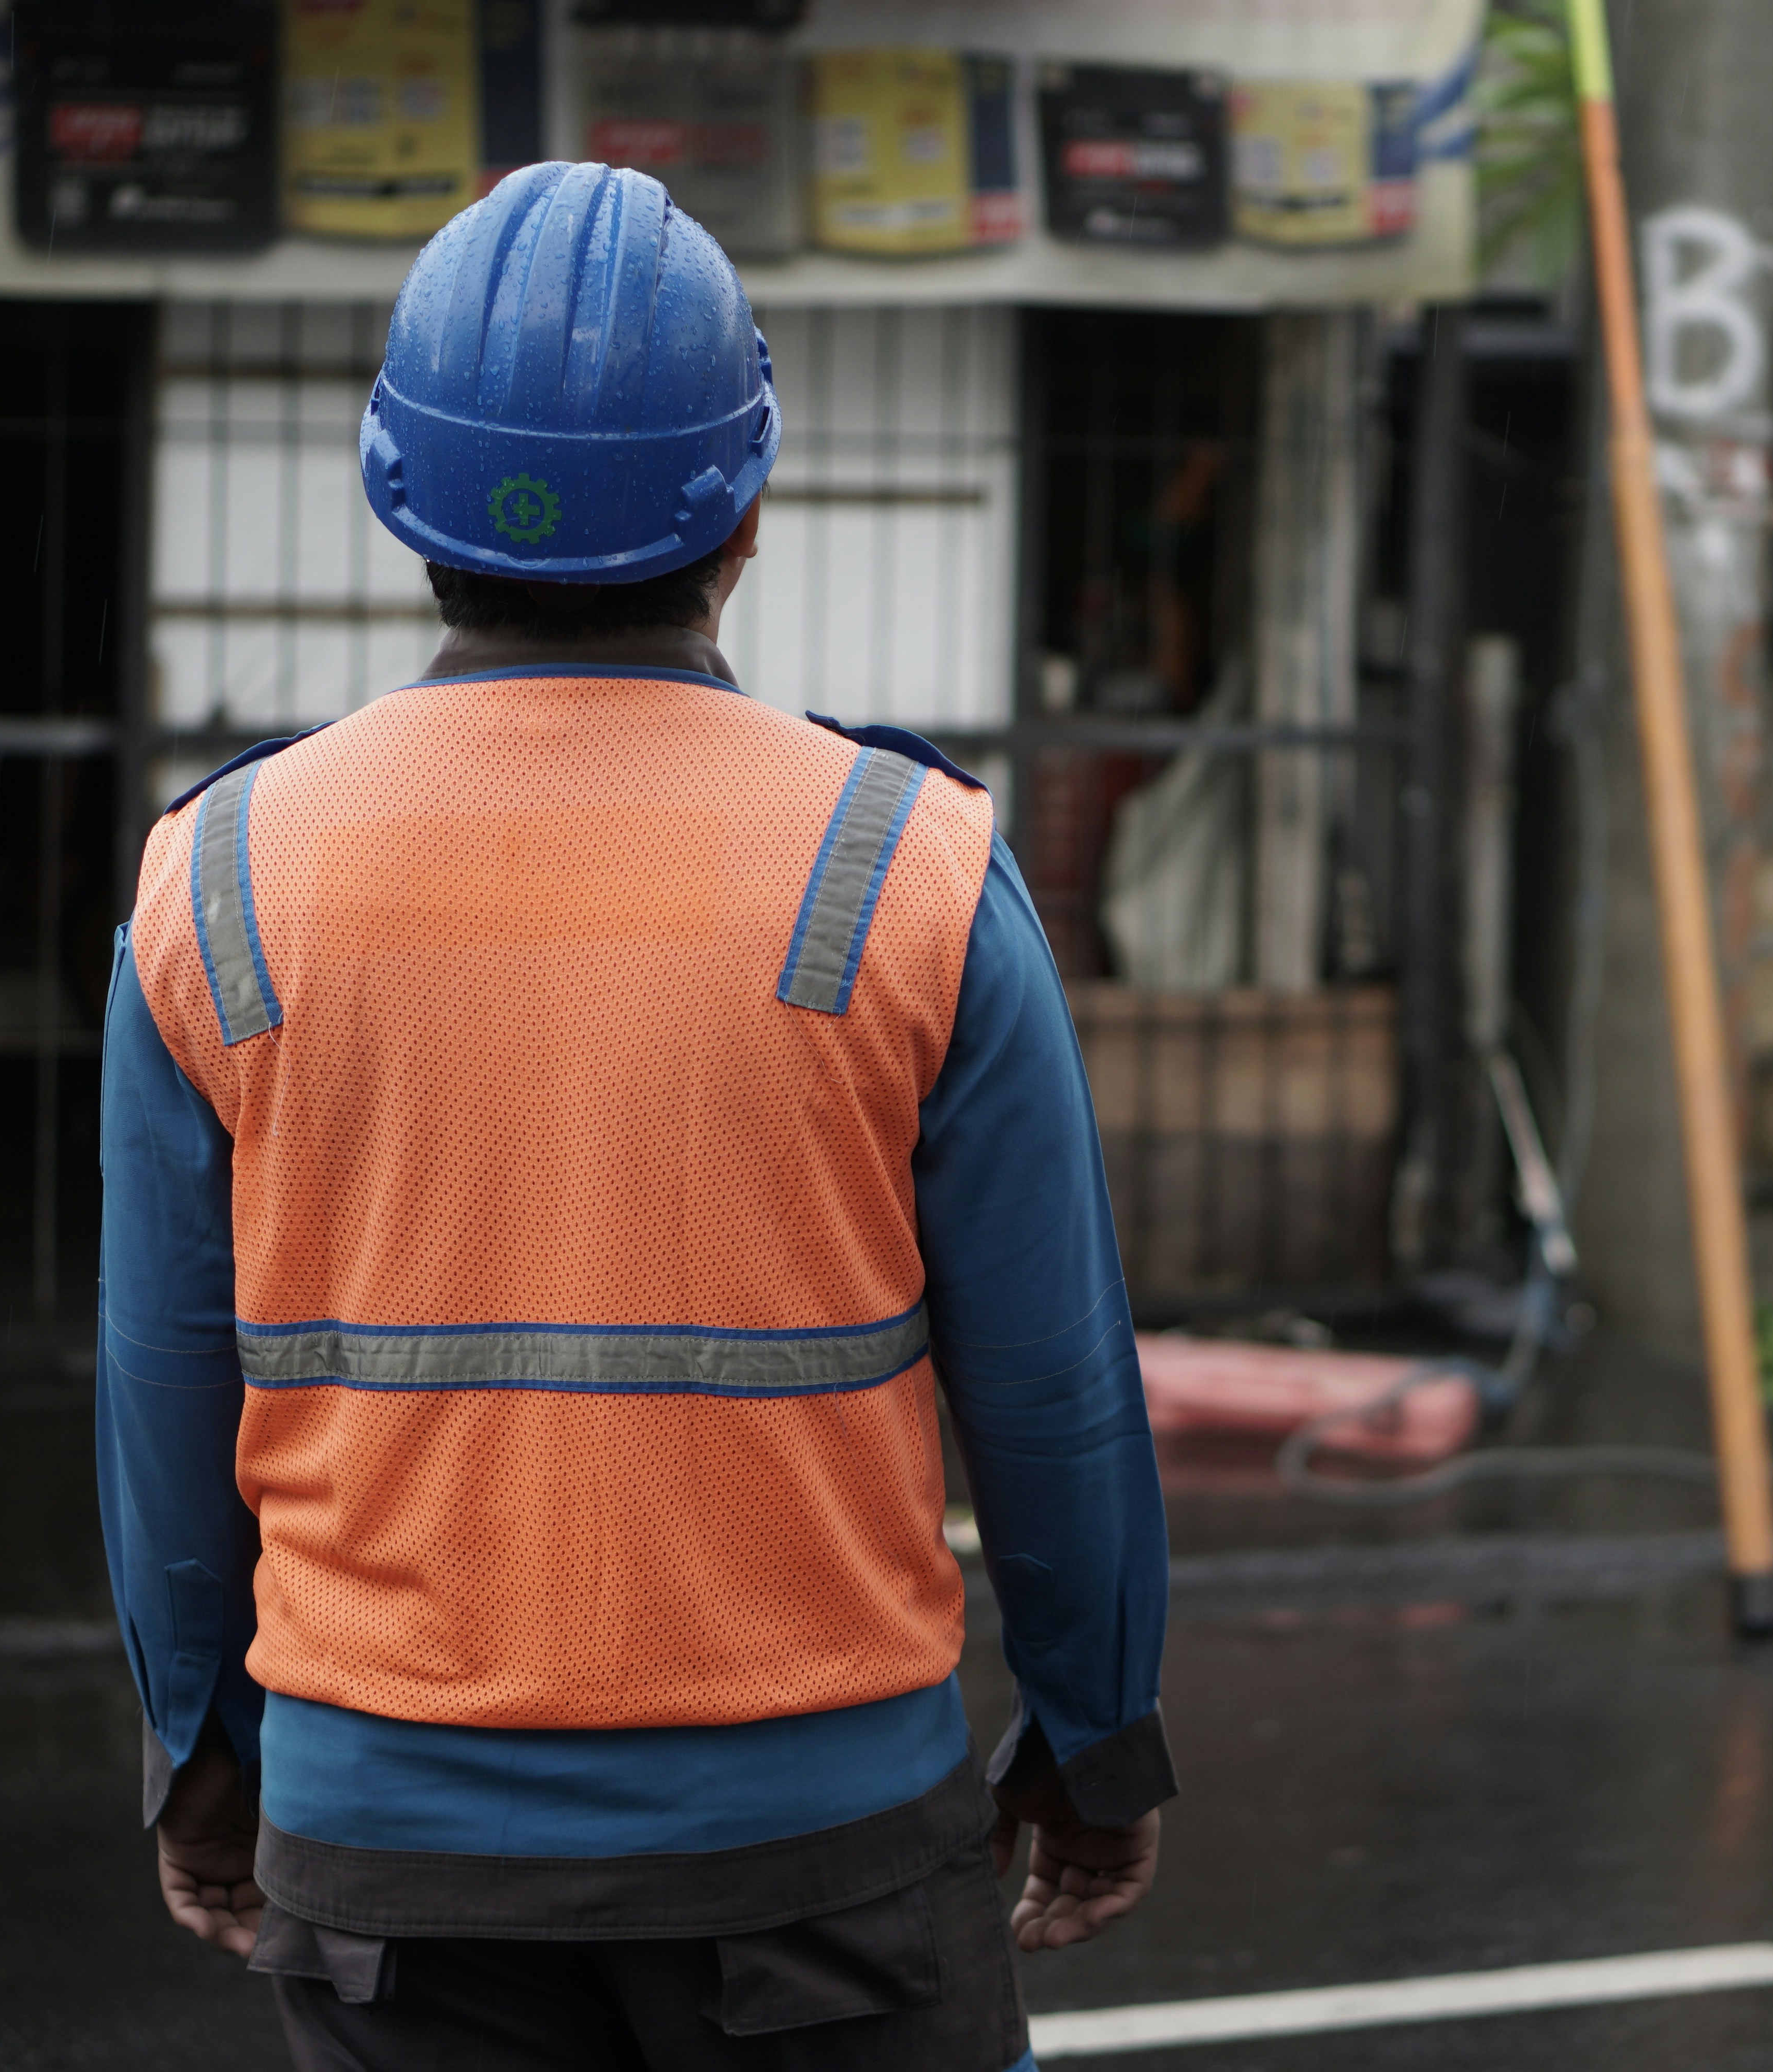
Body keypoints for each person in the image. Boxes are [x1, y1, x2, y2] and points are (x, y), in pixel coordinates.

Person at [96, 161, 1172, 2072]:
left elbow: (166, 1391)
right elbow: (1057, 1390)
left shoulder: (223, 878)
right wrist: (1093, 1748)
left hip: (389, 1861)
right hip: (824, 1854)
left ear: (392, 488)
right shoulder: (909, 866)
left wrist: (201, 1761)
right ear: (744, 507)